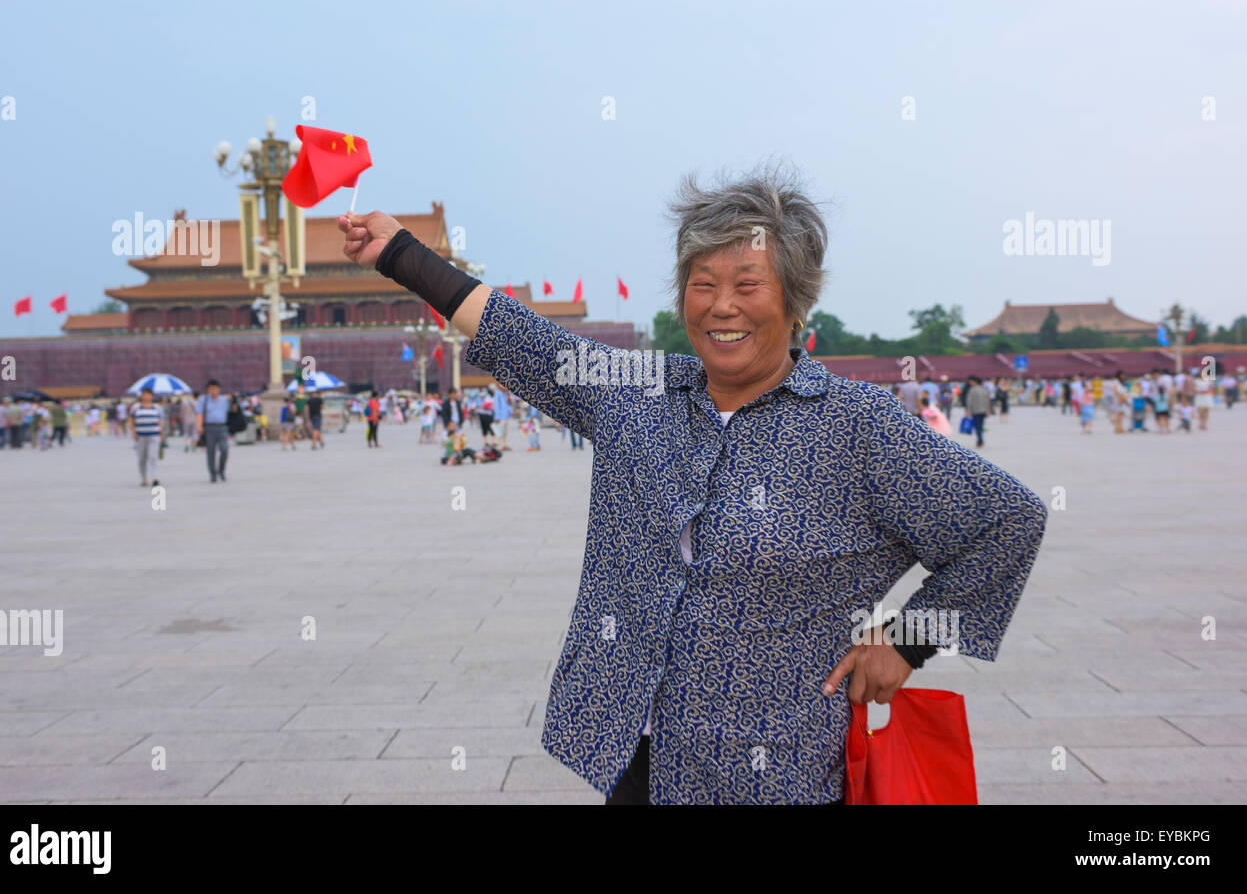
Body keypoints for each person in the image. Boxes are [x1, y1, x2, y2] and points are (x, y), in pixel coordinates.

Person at [338, 165, 1046, 805]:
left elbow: (1008, 520)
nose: (721, 306)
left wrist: (907, 641)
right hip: (638, 757)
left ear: (797, 304)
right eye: (702, 284)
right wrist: (401, 253)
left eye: (747, 285)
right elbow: (522, 339)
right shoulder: (640, 393)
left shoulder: (856, 427)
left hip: (777, 772)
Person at [128, 386, 165, 487]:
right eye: (144, 394)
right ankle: (143, 478)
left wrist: (161, 435)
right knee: (142, 458)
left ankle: (154, 477)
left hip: (154, 435)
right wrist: (133, 432)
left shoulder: (157, 408)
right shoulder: (136, 407)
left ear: (152, 396)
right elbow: (131, 420)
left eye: (148, 394)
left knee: (153, 456)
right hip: (141, 436)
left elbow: (160, 422)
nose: (146, 396)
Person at [195, 379, 230, 482]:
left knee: (224, 449)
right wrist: (199, 426)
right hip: (209, 427)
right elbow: (199, 414)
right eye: (211, 389)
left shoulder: (224, 400)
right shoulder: (203, 400)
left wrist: (234, 400)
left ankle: (221, 470)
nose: (213, 391)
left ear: (219, 389)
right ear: (208, 390)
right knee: (211, 451)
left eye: (215, 389)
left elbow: (231, 412)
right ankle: (213, 473)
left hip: (222, 427)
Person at [963, 375, 990, 448]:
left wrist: (968, 410)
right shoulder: (984, 389)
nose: (970, 383)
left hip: (975, 411)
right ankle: (980, 439)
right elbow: (987, 400)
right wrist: (988, 410)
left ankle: (980, 440)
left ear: (974, 382)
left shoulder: (972, 390)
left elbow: (969, 401)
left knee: (977, 426)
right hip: (983, 410)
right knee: (980, 425)